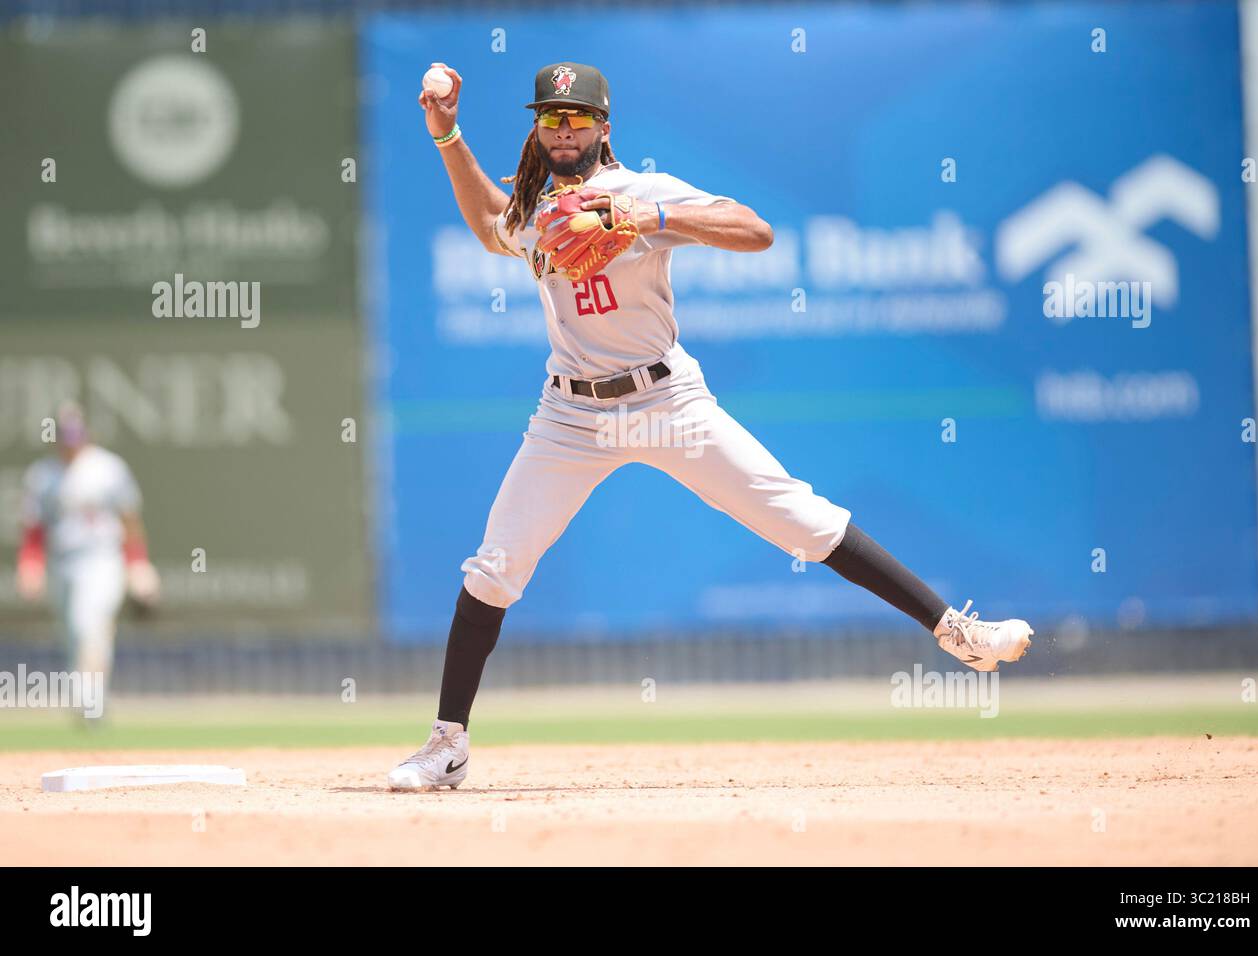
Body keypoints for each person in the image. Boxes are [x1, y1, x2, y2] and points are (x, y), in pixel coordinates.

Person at [388, 62, 1033, 791]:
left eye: (577, 118)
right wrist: (447, 135)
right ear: (537, 125)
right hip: (570, 412)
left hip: (666, 403)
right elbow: (489, 226)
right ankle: (448, 744)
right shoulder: (536, 204)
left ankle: (958, 634)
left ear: (605, 126)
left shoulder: (643, 191)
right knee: (495, 568)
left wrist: (648, 220)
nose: (563, 130)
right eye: (550, 117)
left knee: (801, 518)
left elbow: (753, 229)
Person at [16, 402, 160, 718]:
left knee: (88, 623)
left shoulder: (108, 469)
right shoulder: (43, 476)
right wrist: (30, 563)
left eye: (75, 435)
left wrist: (138, 563)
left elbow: (129, 520)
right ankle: (88, 703)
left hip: (102, 559)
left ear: (85, 434)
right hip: (62, 561)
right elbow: (34, 529)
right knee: (70, 633)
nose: (71, 442)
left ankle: (90, 703)